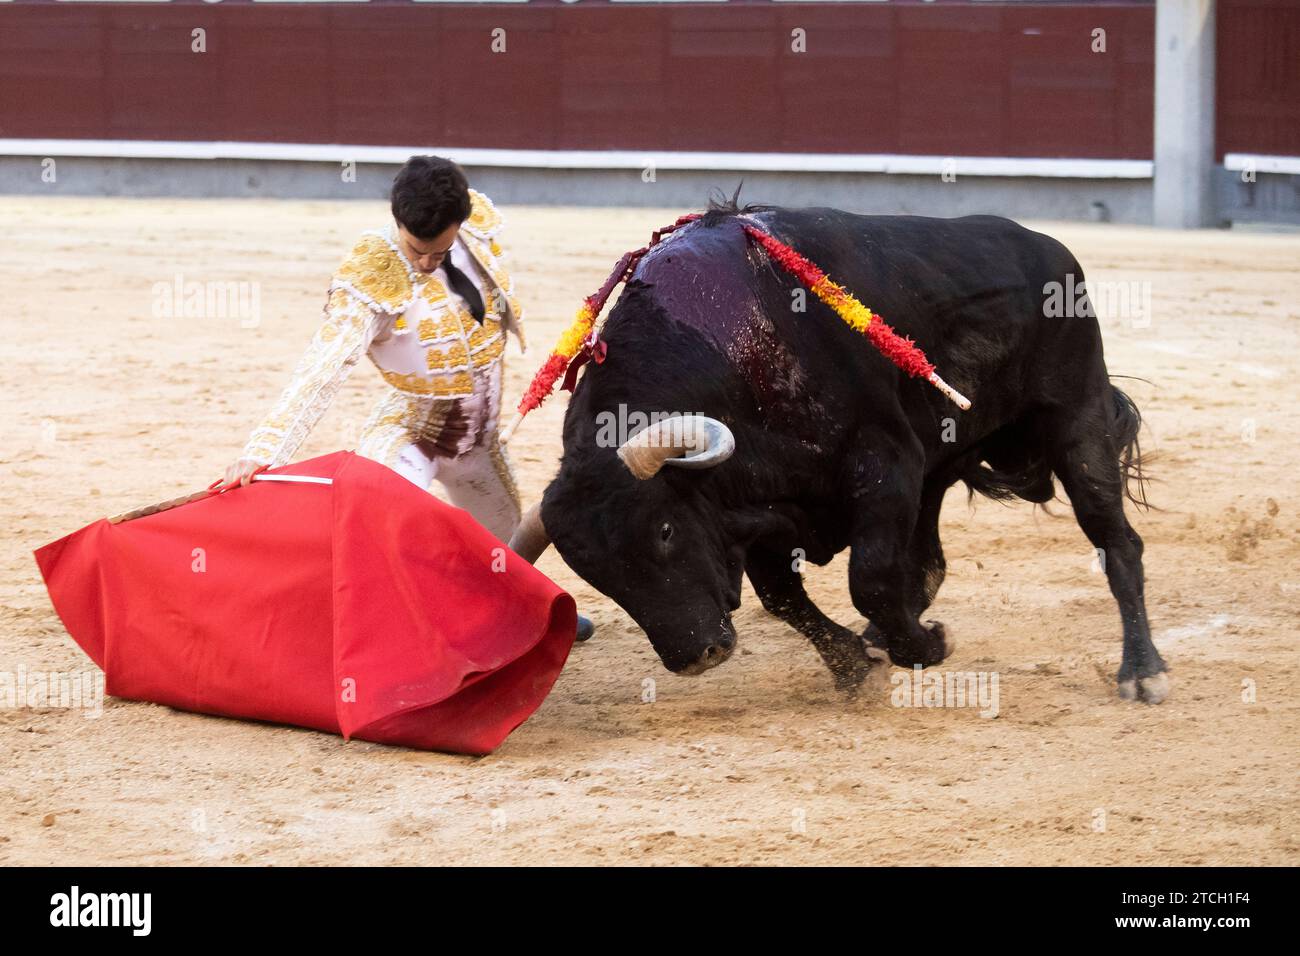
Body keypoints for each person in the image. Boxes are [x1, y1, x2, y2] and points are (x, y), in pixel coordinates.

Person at [217, 155, 593, 640]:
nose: (424, 262)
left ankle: (527, 613)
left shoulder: (474, 228)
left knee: (508, 557)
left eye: (438, 251)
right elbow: (322, 368)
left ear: (461, 222)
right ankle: (349, 638)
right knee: (380, 535)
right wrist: (263, 452)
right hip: (412, 432)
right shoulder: (373, 271)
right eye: (416, 249)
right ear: (397, 219)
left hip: (479, 443)